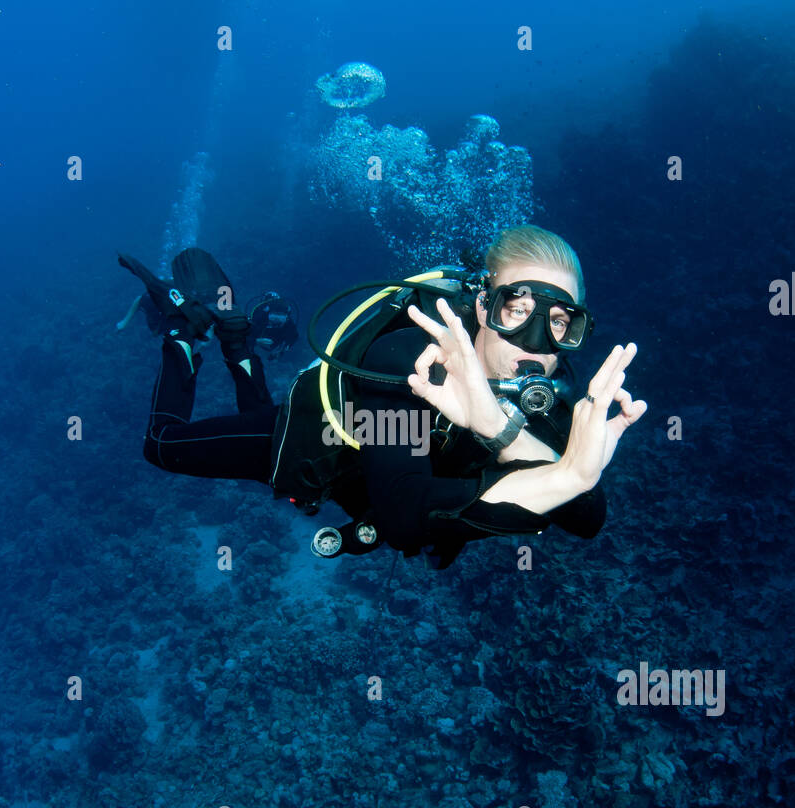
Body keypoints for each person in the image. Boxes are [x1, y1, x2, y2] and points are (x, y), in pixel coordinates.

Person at [118, 225, 647, 569]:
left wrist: (505, 430)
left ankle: (237, 343)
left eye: (560, 322)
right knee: (164, 445)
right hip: (316, 445)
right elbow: (401, 517)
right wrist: (547, 462)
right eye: (517, 309)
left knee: (251, 410)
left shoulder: (547, 389)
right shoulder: (406, 363)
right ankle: (184, 336)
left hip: (370, 488)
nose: (537, 344)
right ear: (484, 307)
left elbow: (585, 515)